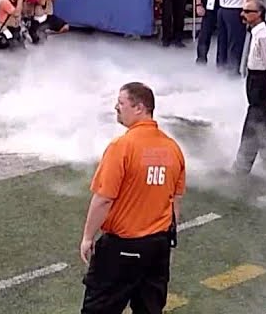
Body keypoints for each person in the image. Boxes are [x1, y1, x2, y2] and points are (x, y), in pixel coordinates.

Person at [80, 82, 186, 314]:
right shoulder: (173, 148)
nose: (116, 107)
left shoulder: (122, 146)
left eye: (121, 103)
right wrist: (169, 244)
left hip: (123, 248)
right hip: (157, 247)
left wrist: (88, 237)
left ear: (139, 108)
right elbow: (174, 203)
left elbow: (104, 199)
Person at [234, 3, 266, 175]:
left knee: (254, 122)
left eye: (247, 11)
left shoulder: (262, 36)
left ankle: (242, 165)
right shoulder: (258, 34)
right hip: (257, 80)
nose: (243, 14)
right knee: (263, 122)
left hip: (260, 82)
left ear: (258, 14)